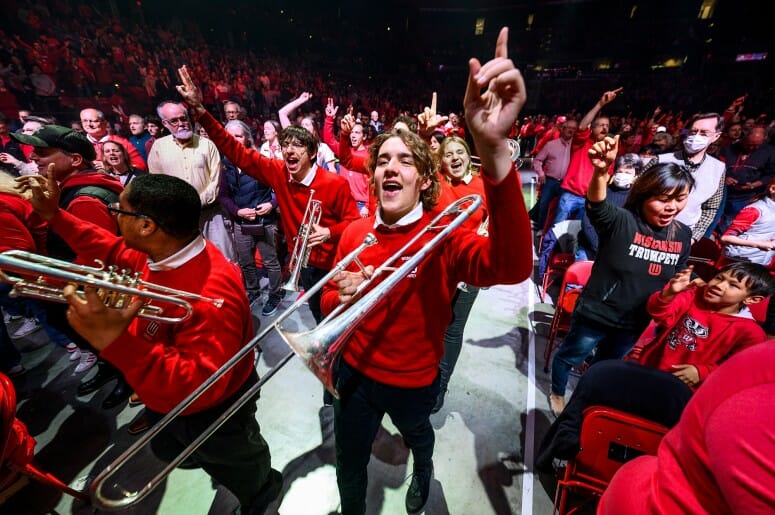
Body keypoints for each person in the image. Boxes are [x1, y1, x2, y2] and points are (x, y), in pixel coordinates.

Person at [320, 27, 532, 515]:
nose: (391, 167)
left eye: (405, 160)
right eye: (383, 161)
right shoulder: (355, 232)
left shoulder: (444, 237)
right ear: (374, 177)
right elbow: (330, 304)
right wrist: (342, 298)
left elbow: (512, 266)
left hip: (413, 378)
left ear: (423, 177)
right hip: (353, 372)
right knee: (348, 462)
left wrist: (495, 149)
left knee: (419, 436)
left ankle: (424, 469)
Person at [18, 173, 283, 515]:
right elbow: (110, 248)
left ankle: (262, 495)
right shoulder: (162, 251)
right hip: (171, 402)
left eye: (119, 210)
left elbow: (198, 388)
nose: (113, 215)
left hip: (212, 407)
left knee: (240, 461)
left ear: (146, 226)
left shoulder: (210, 294)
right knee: (189, 446)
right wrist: (55, 215)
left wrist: (117, 342)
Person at [537, 262, 773, 472]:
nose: (719, 285)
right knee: (597, 379)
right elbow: (658, 311)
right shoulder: (695, 295)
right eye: (720, 277)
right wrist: (669, 294)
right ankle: (565, 439)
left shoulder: (750, 333)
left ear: (751, 300)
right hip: (644, 374)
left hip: (679, 399)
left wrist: (702, 372)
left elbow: (736, 374)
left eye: (733, 285)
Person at [176, 66, 360, 325]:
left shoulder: (335, 183)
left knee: (337, 316)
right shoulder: (277, 171)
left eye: (297, 145)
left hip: (332, 262)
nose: (289, 150)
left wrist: (330, 232)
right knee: (319, 314)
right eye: (285, 145)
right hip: (302, 264)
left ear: (311, 153)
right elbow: (235, 150)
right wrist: (201, 112)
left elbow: (354, 224)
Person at [549, 135, 695, 416]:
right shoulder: (621, 221)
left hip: (634, 323)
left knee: (604, 369)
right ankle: (557, 392)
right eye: (663, 199)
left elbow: (677, 273)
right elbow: (596, 204)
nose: (671, 207)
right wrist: (601, 172)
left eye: (680, 199)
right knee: (570, 356)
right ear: (644, 195)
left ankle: (580, 403)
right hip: (597, 314)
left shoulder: (683, 234)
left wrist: (676, 288)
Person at [10, 125, 131, 405]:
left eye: (43, 152)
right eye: (34, 152)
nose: (34, 158)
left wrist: (50, 281)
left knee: (113, 344)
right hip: (77, 286)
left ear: (75, 159)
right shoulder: (71, 190)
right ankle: (109, 368)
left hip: (91, 293)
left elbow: (99, 260)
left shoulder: (84, 199)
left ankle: (126, 376)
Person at [598, 340, 775, 514]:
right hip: (659, 393)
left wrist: (702, 371)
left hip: (678, 405)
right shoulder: (759, 400)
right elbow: (664, 314)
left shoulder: (749, 333)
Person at [431, 135, 489, 413]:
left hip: (466, 271)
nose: (454, 158)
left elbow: (497, 223)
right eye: (448, 154)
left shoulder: (482, 186)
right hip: (434, 266)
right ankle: (421, 378)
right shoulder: (436, 182)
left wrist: (489, 233)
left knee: (452, 332)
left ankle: (440, 386)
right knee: (429, 324)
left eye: (460, 152)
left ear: (468, 156)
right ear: (440, 160)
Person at [147, 101, 237, 262]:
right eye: (174, 121)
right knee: (189, 264)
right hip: (178, 218)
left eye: (184, 118)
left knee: (226, 261)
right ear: (164, 123)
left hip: (211, 215)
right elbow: (157, 184)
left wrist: (192, 203)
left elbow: (215, 182)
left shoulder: (206, 145)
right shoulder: (158, 147)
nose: (181, 123)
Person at [219, 119, 284, 315]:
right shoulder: (224, 165)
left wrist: (271, 204)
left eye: (238, 136)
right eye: (229, 137)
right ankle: (253, 291)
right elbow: (223, 196)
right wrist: (237, 211)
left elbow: (281, 187)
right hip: (241, 222)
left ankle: (275, 294)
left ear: (246, 139)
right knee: (246, 262)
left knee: (270, 261)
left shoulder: (259, 160)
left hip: (263, 221)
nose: (234, 140)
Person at [551, 88, 622, 226]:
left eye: (607, 126)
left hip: (590, 199)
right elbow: (583, 125)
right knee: (557, 229)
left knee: (579, 233)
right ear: (592, 128)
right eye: (601, 125)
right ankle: (550, 248)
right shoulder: (582, 142)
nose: (605, 128)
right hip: (571, 194)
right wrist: (600, 104)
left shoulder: (609, 149)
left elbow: (608, 175)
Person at [651, 113, 726, 242]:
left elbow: (711, 208)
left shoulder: (718, 168)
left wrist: (694, 238)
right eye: (693, 131)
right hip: (649, 231)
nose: (696, 136)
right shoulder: (660, 160)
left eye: (704, 133)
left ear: (716, 136)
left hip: (683, 235)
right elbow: (637, 195)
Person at [576, 152, 642, 260]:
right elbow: (587, 223)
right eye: (620, 171)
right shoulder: (600, 192)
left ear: (636, 176)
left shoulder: (638, 199)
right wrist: (599, 248)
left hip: (618, 252)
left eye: (628, 172)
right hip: (589, 247)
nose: (623, 175)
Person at [718, 126, 775, 233]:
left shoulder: (770, 152)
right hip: (725, 193)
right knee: (720, 222)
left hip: (748, 196)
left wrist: (754, 184)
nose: (751, 148)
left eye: (756, 146)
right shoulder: (728, 149)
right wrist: (725, 178)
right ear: (744, 138)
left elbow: (770, 175)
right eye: (749, 145)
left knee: (733, 226)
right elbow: (717, 168)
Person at [533, 118, 578, 230]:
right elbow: (537, 160)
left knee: (561, 208)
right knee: (544, 205)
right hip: (550, 181)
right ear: (563, 129)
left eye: (574, 128)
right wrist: (541, 173)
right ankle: (541, 228)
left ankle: (553, 230)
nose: (571, 130)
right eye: (569, 127)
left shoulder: (576, 147)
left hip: (566, 183)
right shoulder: (551, 145)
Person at [719, 177, 775, 268]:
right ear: (773, 189)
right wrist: (759, 244)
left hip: (761, 261)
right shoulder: (755, 210)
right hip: (738, 260)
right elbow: (726, 238)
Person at [79, 108, 146, 171]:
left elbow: (141, 166)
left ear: (104, 123)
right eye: (84, 121)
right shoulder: (79, 144)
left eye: (94, 121)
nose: (89, 124)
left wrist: (110, 167)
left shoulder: (120, 142)